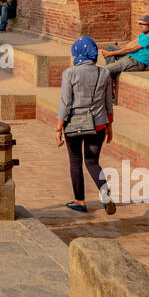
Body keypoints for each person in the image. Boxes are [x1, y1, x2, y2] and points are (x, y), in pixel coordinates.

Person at [55, 36, 116, 215]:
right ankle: (104, 191)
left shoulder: (70, 73)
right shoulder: (104, 73)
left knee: (75, 161)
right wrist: (109, 126)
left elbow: (65, 103)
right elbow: (108, 104)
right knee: (92, 161)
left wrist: (58, 128)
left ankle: (80, 201)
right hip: (98, 125)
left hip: (74, 124)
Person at [101, 14, 149, 100]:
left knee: (106, 69)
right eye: (140, 24)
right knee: (110, 47)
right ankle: (112, 74)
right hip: (130, 57)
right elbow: (129, 45)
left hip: (137, 62)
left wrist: (110, 54)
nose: (141, 26)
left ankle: (110, 96)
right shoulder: (143, 35)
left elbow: (130, 49)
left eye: (143, 24)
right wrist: (115, 51)